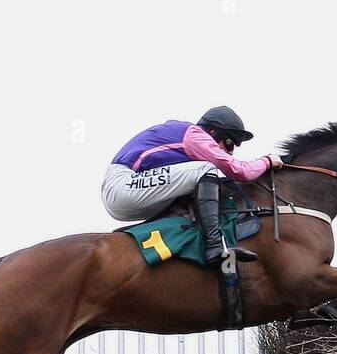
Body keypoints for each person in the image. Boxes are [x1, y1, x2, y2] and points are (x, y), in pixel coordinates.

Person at [101, 106, 282, 266]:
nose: (230, 151)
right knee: (206, 169)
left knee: (201, 181)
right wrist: (267, 161)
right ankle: (215, 245)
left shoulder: (188, 141)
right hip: (123, 185)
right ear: (212, 131)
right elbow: (239, 171)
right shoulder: (195, 135)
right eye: (228, 142)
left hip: (131, 190)